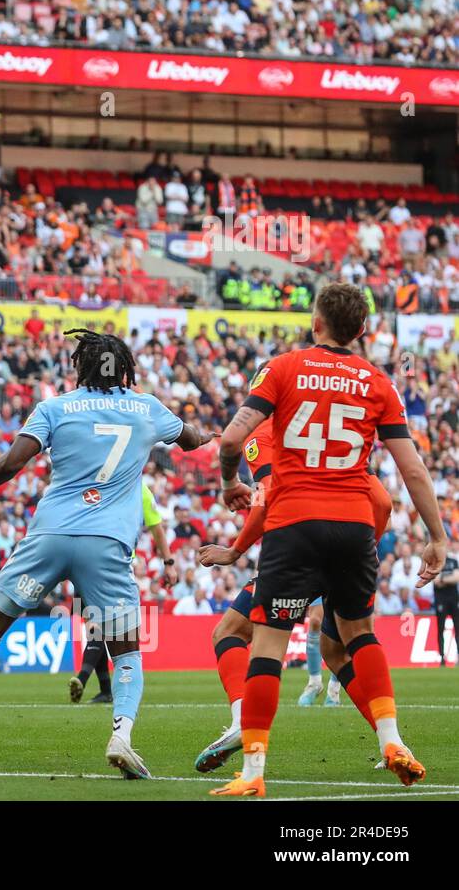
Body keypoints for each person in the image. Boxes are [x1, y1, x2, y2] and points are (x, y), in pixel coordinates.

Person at [0, 330, 214, 776]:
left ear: (78, 366)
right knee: (124, 651)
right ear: (123, 368)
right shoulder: (148, 408)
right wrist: (209, 436)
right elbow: (192, 437)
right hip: (107, 545)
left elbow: (12, 463)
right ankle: (121, 738)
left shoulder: (56, 408)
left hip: (49, 536)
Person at [210, 282, 446, 797]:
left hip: (294, 523)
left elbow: (231, 438)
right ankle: (392, 741)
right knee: (359, 636)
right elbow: (411, 468)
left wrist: (231, 480)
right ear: (362, 330)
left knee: (268, 644)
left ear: (316, 322)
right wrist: (437, 537)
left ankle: (252, 773)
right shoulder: (379, 381)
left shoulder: (284, 367)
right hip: (356, 526)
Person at [195, 410, 394, 773]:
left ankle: (246, 732)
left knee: (232, 632)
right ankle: (391, 742)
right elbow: (382, 502)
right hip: (351, 548)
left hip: (298, 551)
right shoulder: (326, 428)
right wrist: (369, 547)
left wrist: (235, 551)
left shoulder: (263, 433)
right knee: (338, 650)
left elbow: (267, 495)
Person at [71, 481, 172, 705]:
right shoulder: (97, 482)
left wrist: (169, 561)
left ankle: (83, 678)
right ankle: (105, 689)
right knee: (93, 631)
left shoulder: (140, 490)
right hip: (84, 565)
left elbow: (156, 526)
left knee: (99, 629)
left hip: (111, 568)